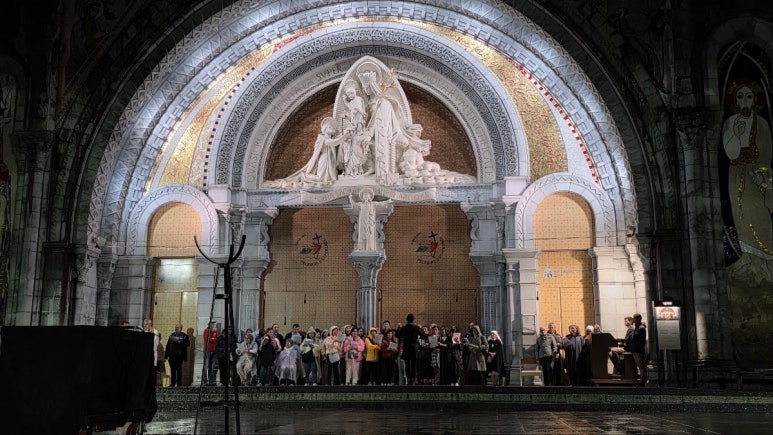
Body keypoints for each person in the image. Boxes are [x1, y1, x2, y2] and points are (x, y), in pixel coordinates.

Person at [721, 81, 773, 269]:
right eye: (740, 96)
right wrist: (736, 134)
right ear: (735, 100)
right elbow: (730, 153)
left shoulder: (762, 123)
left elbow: (767, 151)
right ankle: (749, 260)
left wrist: (761, 173)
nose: (744, 100)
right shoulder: (730, 122)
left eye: (748, 96)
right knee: (740, 213)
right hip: (735, 173)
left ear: (754, 100)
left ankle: (766, 261)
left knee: (759, 213)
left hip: (756, 174)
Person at [395, 313, 426, 385]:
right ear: (413, 320)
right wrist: (420, 328)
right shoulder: (416, 327)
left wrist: (398, 328)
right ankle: (413, 379)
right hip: (414, 349)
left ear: (407, 320)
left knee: (407, 364)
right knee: (414, 364)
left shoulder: (404, 328)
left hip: (406, 348)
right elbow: (423, 335)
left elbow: (397, 335)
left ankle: (409, 379)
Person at [630, 313, 648, 386]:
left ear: (639, 319)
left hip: (638, 349)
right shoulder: (637, 327)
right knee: (640, 365)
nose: (633, 320)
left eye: (634, 318)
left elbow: (639, 340)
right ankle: (642, 380)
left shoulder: (641, 328)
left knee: (641, 366)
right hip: (635, 349)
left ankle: (642, 381)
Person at [202, 321, 218, 386]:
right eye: (211, 323)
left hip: (213, 350)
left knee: (212, 366)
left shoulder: (215, 332)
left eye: (213, 324)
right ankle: (205, 382)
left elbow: (216, 339)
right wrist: (213, 339)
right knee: (206, 366)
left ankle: (211, 382)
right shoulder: (206, 331)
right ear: (209, 324)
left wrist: (213, 339)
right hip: (207, 350)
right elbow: (208, 339)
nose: (213, 325)